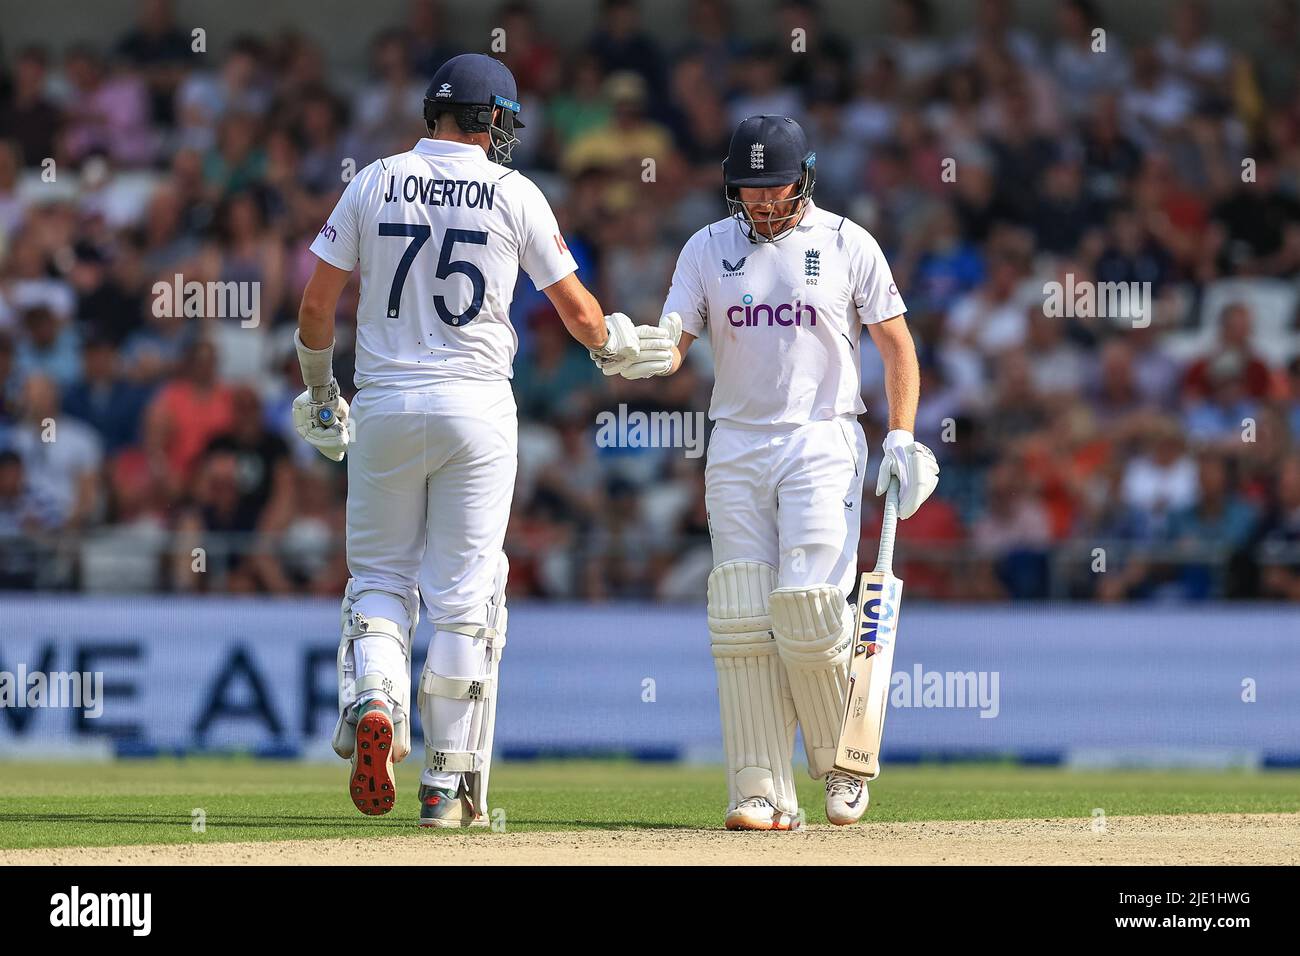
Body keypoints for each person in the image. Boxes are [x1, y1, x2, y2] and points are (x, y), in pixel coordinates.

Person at [293, 54, 640, 827]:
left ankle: (377, 697)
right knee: (463, 601)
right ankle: (446, 789)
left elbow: (316, 307)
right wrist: (624, 349)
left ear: (433, 114)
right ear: (494, 122)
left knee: (380, 581)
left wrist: (321, 390)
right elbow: (581, 316)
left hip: (384, 404)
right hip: (479, 408)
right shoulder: (516, 192)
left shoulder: (374, 180)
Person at [608, 115, 938, 829]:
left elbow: (898, 346)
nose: (761, 202)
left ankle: (842, 761)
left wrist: (904, 437)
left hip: (823, 439)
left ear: (806, 177)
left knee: (809, 608)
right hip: (735, 443)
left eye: (775, 186)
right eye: (748, 189)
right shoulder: (706, 247)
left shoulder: (849, 243)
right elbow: (673, 344)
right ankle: (759, 789)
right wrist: (638, 354)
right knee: (742, 617)